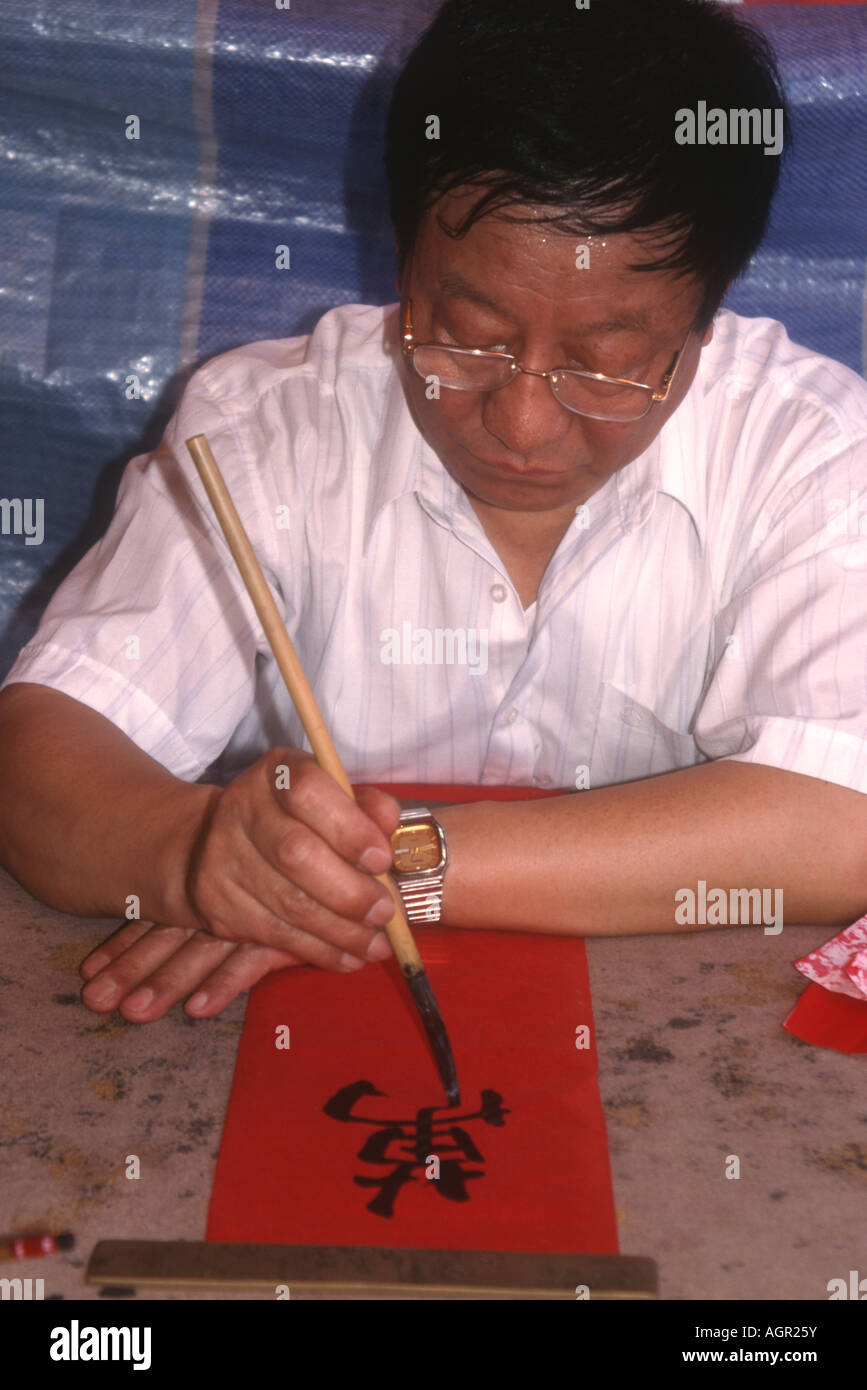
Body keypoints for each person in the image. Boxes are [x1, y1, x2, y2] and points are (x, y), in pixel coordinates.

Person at [1, 0, 865, 1026]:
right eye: (466, 335)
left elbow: (840, 821)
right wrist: (193, 854)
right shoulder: (267, 434)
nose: (525, 419)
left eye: (608, 363)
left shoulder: (809, 448)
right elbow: (40, 758)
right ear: (400, 264)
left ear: (705, 318)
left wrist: (393, 865)